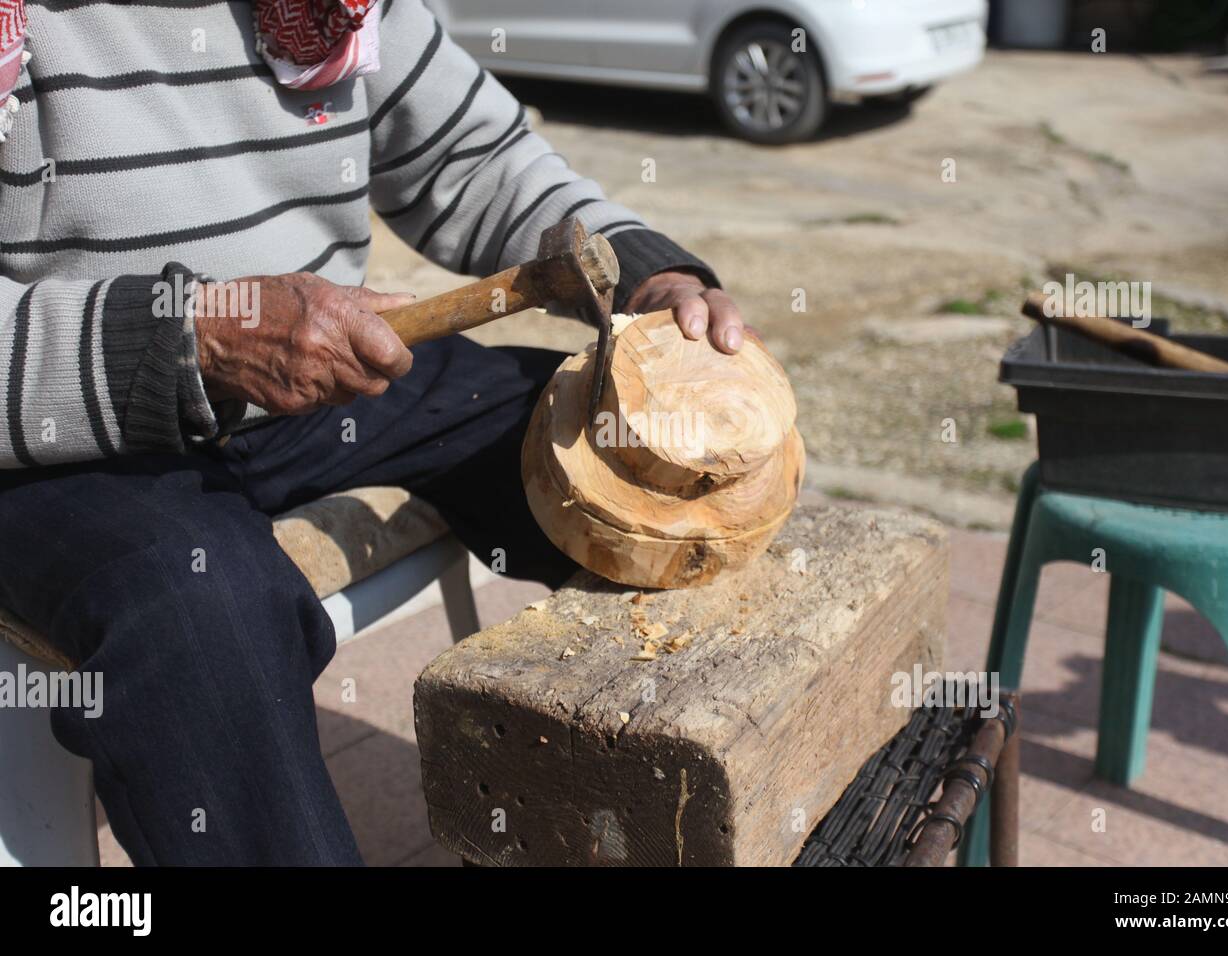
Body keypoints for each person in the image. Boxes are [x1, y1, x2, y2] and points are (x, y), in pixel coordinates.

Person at [0, 0, 745, 864]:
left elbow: (481, 160)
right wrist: (188, 339)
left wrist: (653, 278)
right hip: (62, 432)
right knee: (201, 614)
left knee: (643, 448)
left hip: (314, 381)